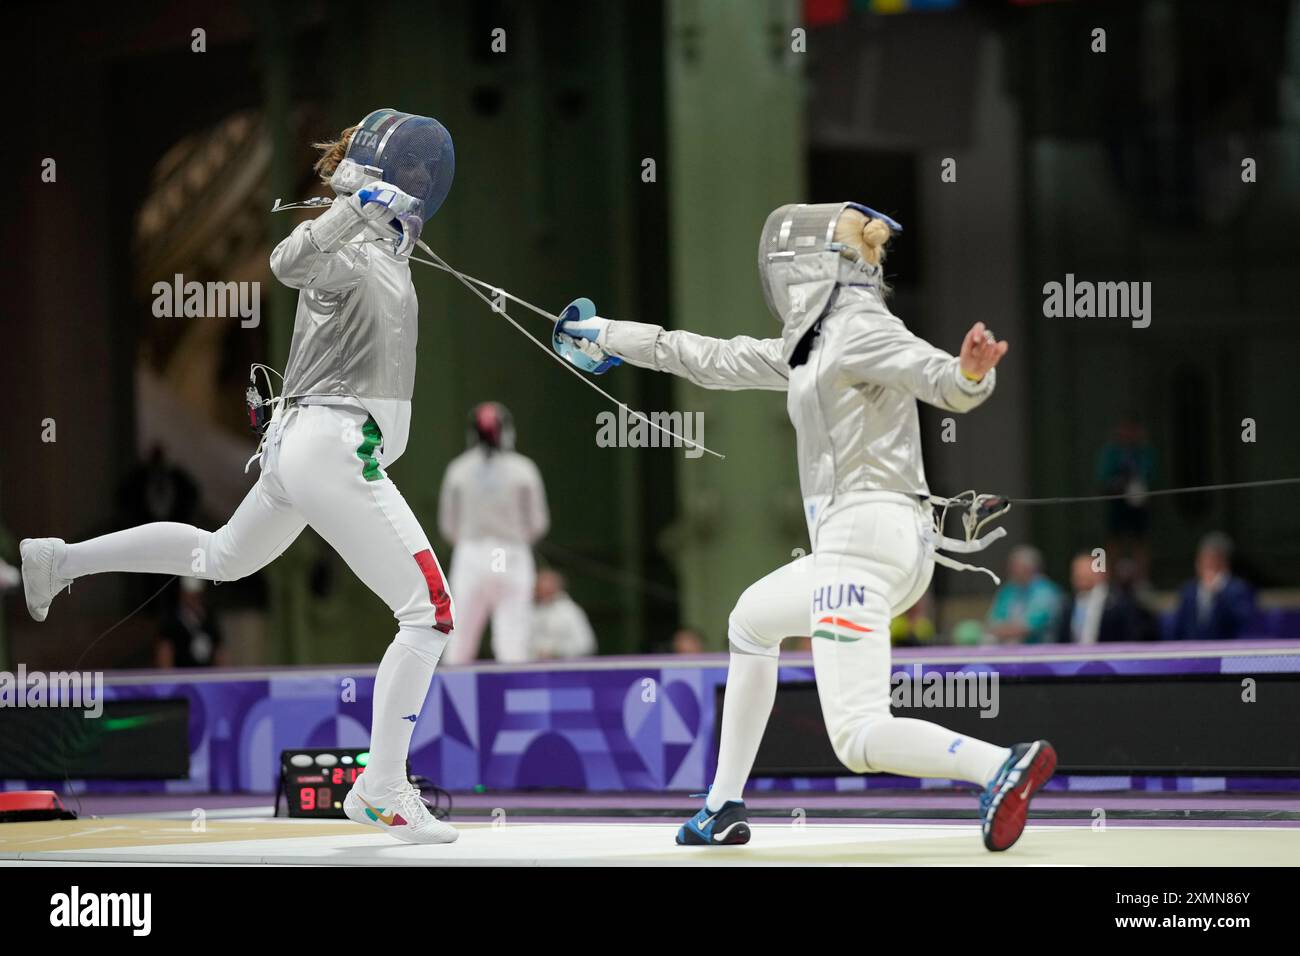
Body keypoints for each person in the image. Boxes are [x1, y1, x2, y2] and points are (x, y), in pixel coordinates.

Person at [556, 201, 1054, 852]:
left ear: (806, 270)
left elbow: (937, 377)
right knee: (752, 620)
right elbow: (709, 357)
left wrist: (967, 374)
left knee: (857, 737)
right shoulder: (811, 345)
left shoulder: (861, 327)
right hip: (876, 545)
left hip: (864, 538)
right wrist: (607, 334)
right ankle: (721, 805)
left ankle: (999, 766)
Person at [20, 109, 459, 844]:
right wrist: (352, 206)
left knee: (220, 555)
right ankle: (381, 786)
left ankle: (58, 561)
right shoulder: (348, 240)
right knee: (430, 614)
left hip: (302, 446)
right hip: (330, 444)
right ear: (393, 177)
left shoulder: (386, 248)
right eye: (410, 174)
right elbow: (287, 264)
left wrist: (368, 212)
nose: (418, 186)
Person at [438, 402, 550, 664]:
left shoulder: (457, 470)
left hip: (472, 555)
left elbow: (447, 525)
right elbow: (538, 523)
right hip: (510, 555)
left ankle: (454, 700)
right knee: (513, 642)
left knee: (460, 640)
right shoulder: (524, 469)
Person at [1096, 417, 1156, 583]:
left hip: (1138, 501)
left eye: (1132, 430)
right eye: (1125, 429)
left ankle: (1142, 580)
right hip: (1117, 500)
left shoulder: (1144, 451)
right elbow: (1102, 476)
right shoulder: (1111, 451)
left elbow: (1151, 474)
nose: (1128, 434)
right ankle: (1109, 580)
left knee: (1140, 542)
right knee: (1114, 542)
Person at [1054, 552, 1157, 644]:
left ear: (1102, 572)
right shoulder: (1067, 605)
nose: (1080, 575)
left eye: (1085, 570)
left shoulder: (1120, 604)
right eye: (1076, 571)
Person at [1169, 532, 1255, 641]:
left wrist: (1217, 595)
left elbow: (1244, 625)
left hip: (1228, 650)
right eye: (1203, 560)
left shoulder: (1239, 589)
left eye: (1212, 561)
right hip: (1191, 651)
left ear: (1224, 562)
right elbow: (1178, 629)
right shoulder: (1188, 591)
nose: (1206, 565)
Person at [985, 546, 1062, 644]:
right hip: (1005, 645)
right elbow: (992, 620)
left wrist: (1002, 631)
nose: (1011, 570)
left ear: (1029, 568)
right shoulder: (1008, 590)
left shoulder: (1045, 591)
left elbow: (1030, 626)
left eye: (1016, 566)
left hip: (1039, 648)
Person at [156, 577, 226, 668]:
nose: (193, 600)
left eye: (196, 596)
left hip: (206, 674)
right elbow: (165, 651)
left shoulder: (209, 617)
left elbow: (219, 650)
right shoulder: (171, 619)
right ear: (181, 594)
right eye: (189, 596)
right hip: (181, 676)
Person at [529, 568, 597, 660]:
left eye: (545, 589)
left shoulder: (570, 611)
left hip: (563, 667)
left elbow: (585, 644)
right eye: (539, 588)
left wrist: (555, 652)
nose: (541, 592)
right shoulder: (530, 610)